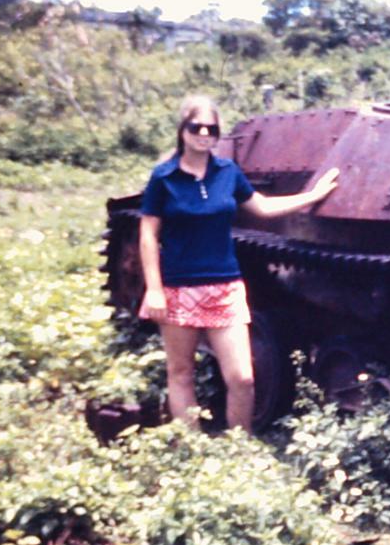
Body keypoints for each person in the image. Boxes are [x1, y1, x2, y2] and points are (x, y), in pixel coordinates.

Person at [138, 95, 339, 432]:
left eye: (211, 128)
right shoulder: (164, 177)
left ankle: (238, 448)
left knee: (242, 377)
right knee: (181, 371)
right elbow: (147, 235)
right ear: (182, 130)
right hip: (177, 287)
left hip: (224, 286)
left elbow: (262, 207)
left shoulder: (228, 172)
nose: (203, 133)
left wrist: (313, 196)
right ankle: (193, 446)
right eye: (196, 127)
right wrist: (154, 289)